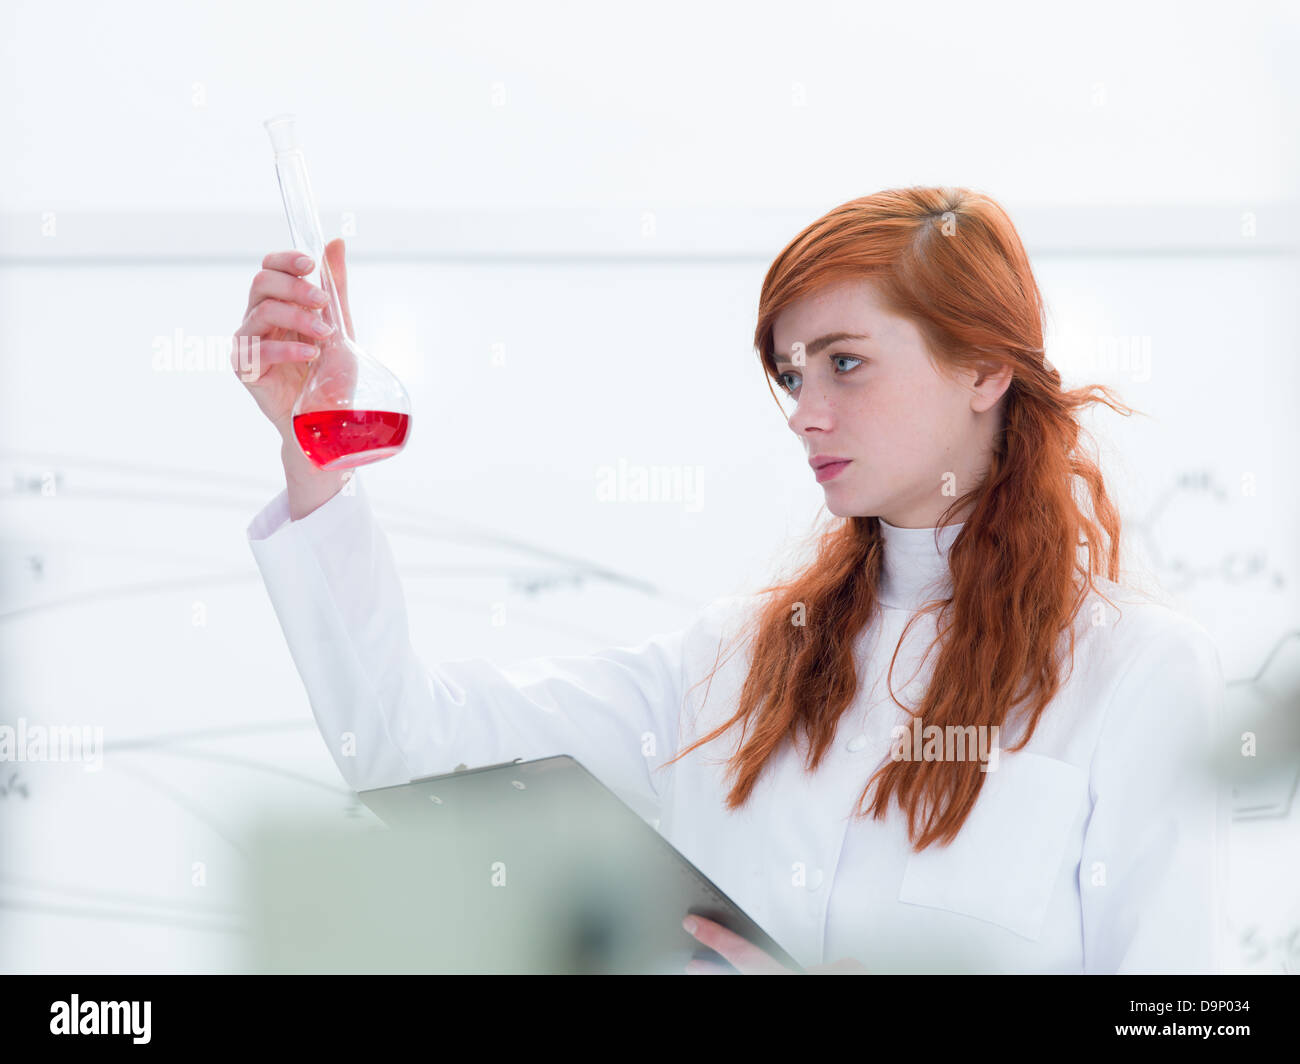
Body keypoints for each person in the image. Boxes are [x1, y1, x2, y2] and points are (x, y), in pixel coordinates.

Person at [232, 185, 1224, 975]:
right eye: (792, 376)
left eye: (844, 362)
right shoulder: (733, 663)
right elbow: (403, 744)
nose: (804, 412)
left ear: (983, 368)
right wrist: (315, 460)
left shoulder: (1133, 673)